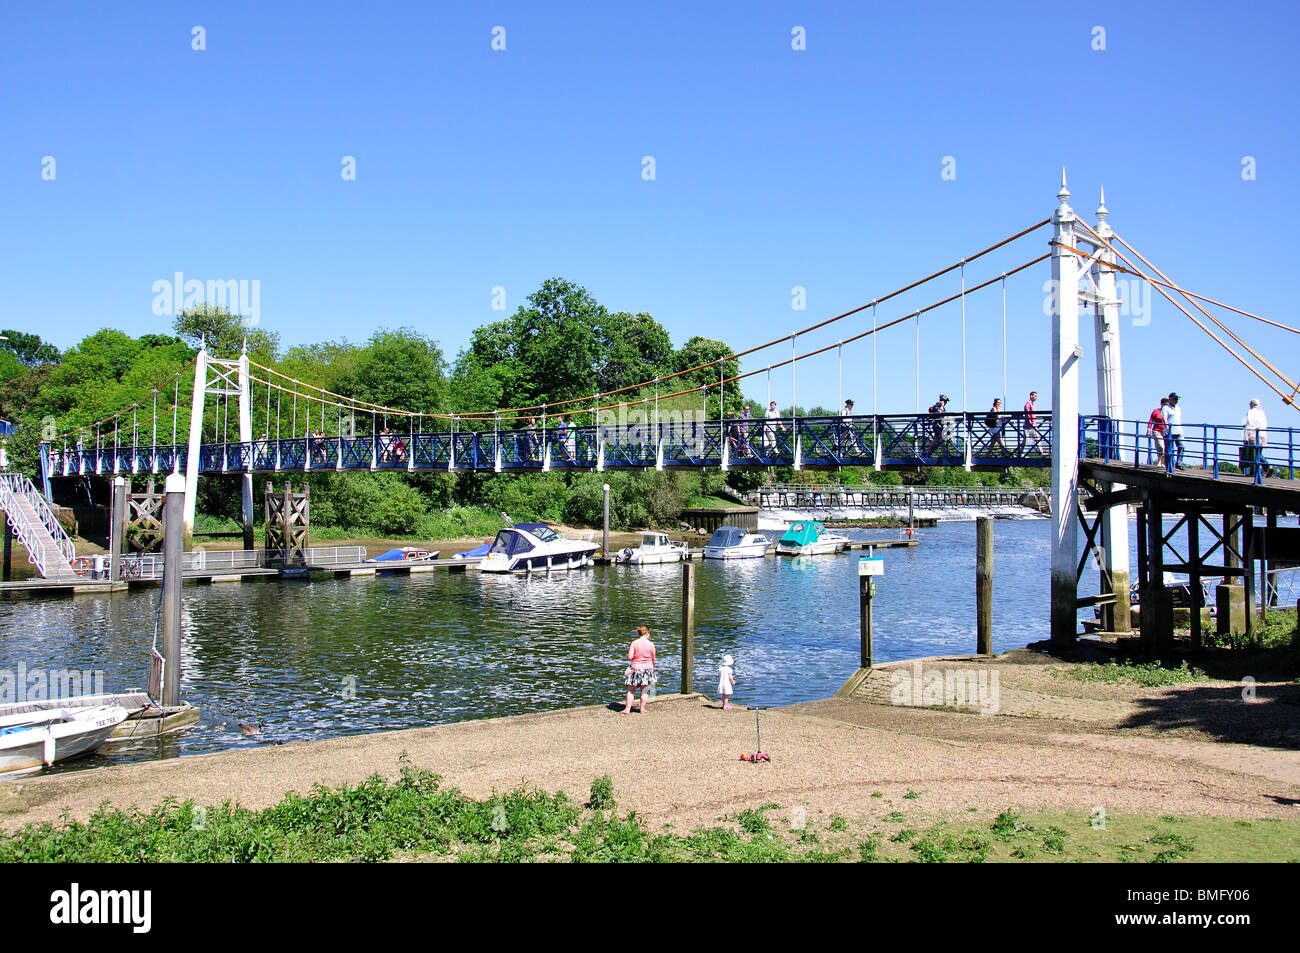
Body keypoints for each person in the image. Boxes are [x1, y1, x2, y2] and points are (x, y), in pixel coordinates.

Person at [621, 625, 657, 714]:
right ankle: (642, 709)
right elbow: (653, 658)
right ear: (647, 633)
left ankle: (627, 709)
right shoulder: (651, 644)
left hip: (635, 668)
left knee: (631, 690)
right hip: (647, 669)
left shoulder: (634, 643)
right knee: (644, 691)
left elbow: (630, 657)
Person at [1242, 398, 1271, 478]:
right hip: (1263, 434)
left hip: (1253, 434)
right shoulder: (1262, 412)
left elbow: (1248, 424)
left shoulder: (1250, 412)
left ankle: (1266, 466)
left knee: (1254, 453)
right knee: (1258, 452)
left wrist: (1245, 437)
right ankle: (1253, 472)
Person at [1162, 392, 1184, 470]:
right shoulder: (1166, 408)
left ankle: (1179, 463)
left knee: (1181, 446)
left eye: (1177, 399)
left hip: (1178, 430)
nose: (1177, 400)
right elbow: (1164, 418)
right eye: (1175, 398)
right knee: (1169, 449)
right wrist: (1167, 427)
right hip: (1169, 431)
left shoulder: (1178, 408)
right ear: (1170, 399)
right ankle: (1168, 465)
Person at [1146, 397, 1168, 465]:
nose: (1165, 406)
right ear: (1161, 404)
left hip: (1165, 431)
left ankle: (1162, 462)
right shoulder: (1156, 411)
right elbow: (1151, 420)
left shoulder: (1168, 412)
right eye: (1164, 405)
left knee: (1165, 447)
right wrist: (1148, 429)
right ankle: (1160, 461)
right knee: (1161, 446)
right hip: (1157, 431)